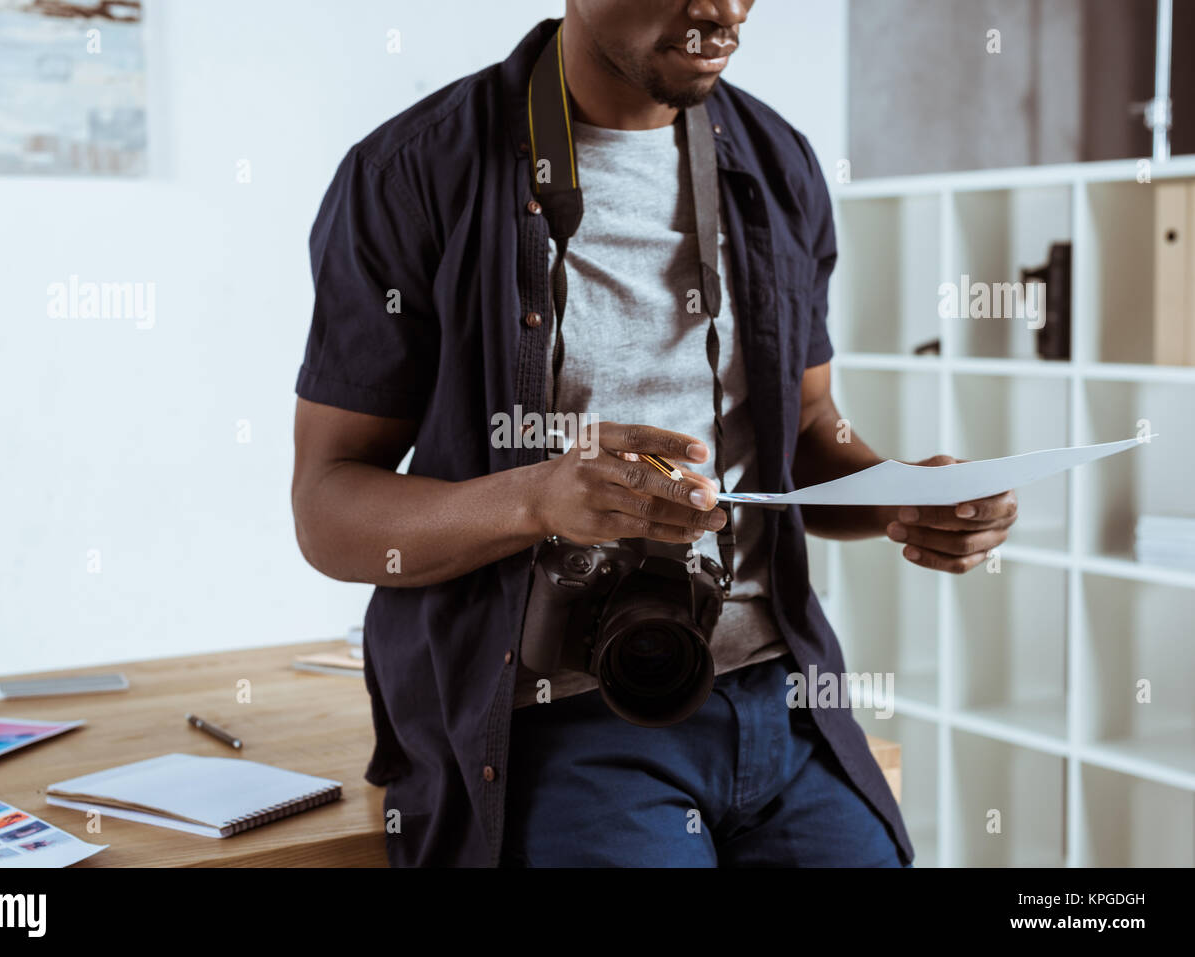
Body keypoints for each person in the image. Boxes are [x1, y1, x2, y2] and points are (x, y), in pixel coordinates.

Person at [291, 1, 1018, 867]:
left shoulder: (776, 159)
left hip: (782, 700)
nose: (721, 7)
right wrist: (536, 498)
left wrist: (898, 492)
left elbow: (811, 427)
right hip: (555, 723)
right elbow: (328, 506)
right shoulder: (410, 173)